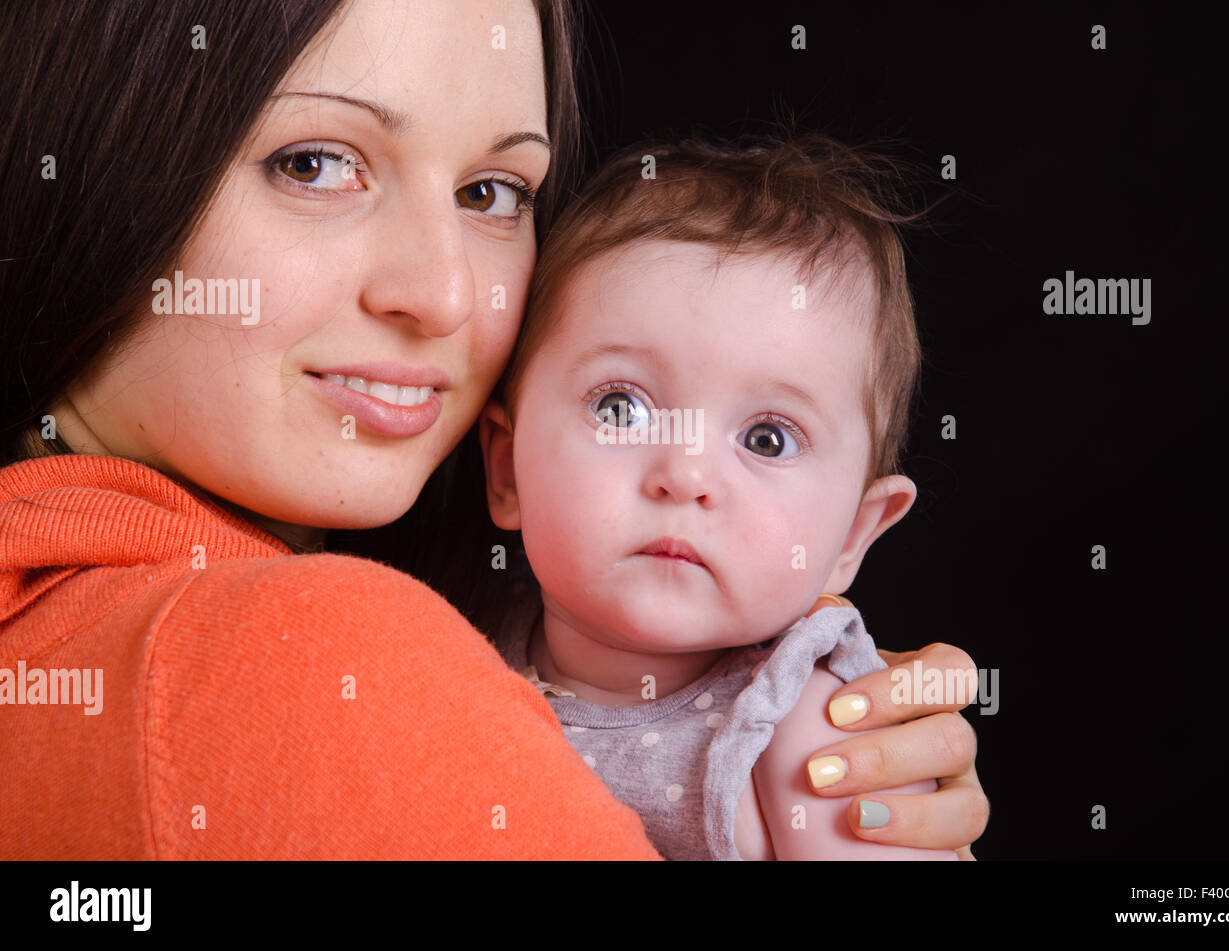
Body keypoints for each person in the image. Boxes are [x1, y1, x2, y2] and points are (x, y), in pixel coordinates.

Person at [0, 0, 987, 859]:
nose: (442, 295)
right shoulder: (304, 661)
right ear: (93, 159)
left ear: (864, 524)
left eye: (490, 193)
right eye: (314, 164)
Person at [479, 133, 958, 859]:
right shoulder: (460, 644)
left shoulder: (798, 717)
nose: (686, 475)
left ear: (851, 538)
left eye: (768, 438)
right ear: (507, 468)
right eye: (619, 408)